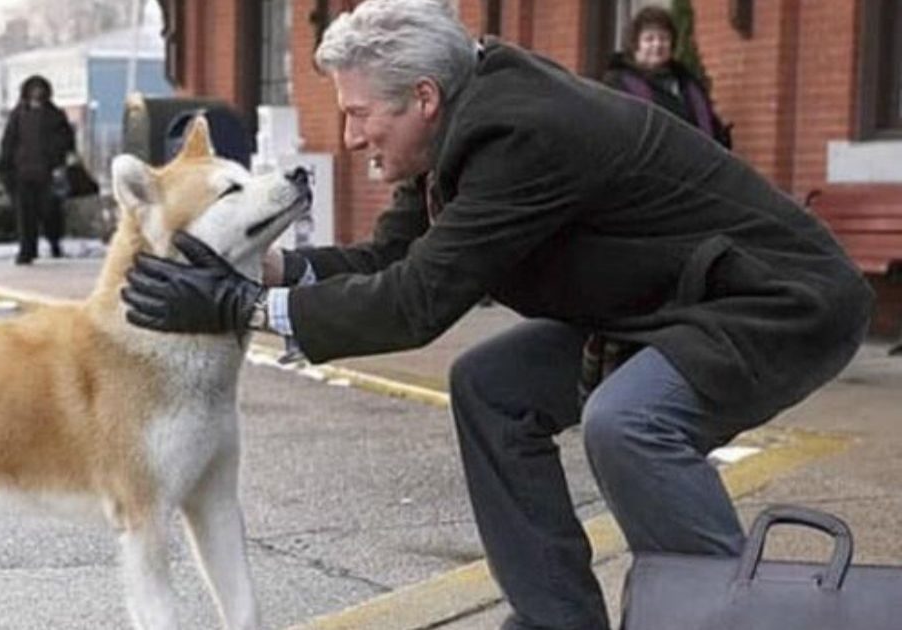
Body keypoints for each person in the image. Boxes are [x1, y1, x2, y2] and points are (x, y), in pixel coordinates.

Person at [120, 1, 873, 628]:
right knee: (492, 384)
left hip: (775, 300)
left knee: (628, 422)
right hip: (667, 305)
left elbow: (416, 305)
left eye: (358, 115)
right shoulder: (456, 125)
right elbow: (393, 261)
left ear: (422, 98)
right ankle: (556, 620)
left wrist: (239, 307)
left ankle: (723, 616)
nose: (350, 140)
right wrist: (260, 269)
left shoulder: (521, 133)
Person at [603, 6, 732, 148]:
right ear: (635, 45)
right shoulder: (618, 84)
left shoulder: (689, 84)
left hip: (696, 164)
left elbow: (712, 127)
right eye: (649, 39)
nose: (657, 45)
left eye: (663, 38)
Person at [0, 75, 76, 265]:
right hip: (23, 173)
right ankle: (27, 250)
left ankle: (54, 242)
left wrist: (56, 159)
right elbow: (9, 142)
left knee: (50, 211)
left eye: (40, 89)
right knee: (25, 215)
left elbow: (67, 141)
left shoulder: (55, 114)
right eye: (33, 89)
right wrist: (6, 167)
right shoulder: (18, 115)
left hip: (47, 174)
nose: (37, 92)